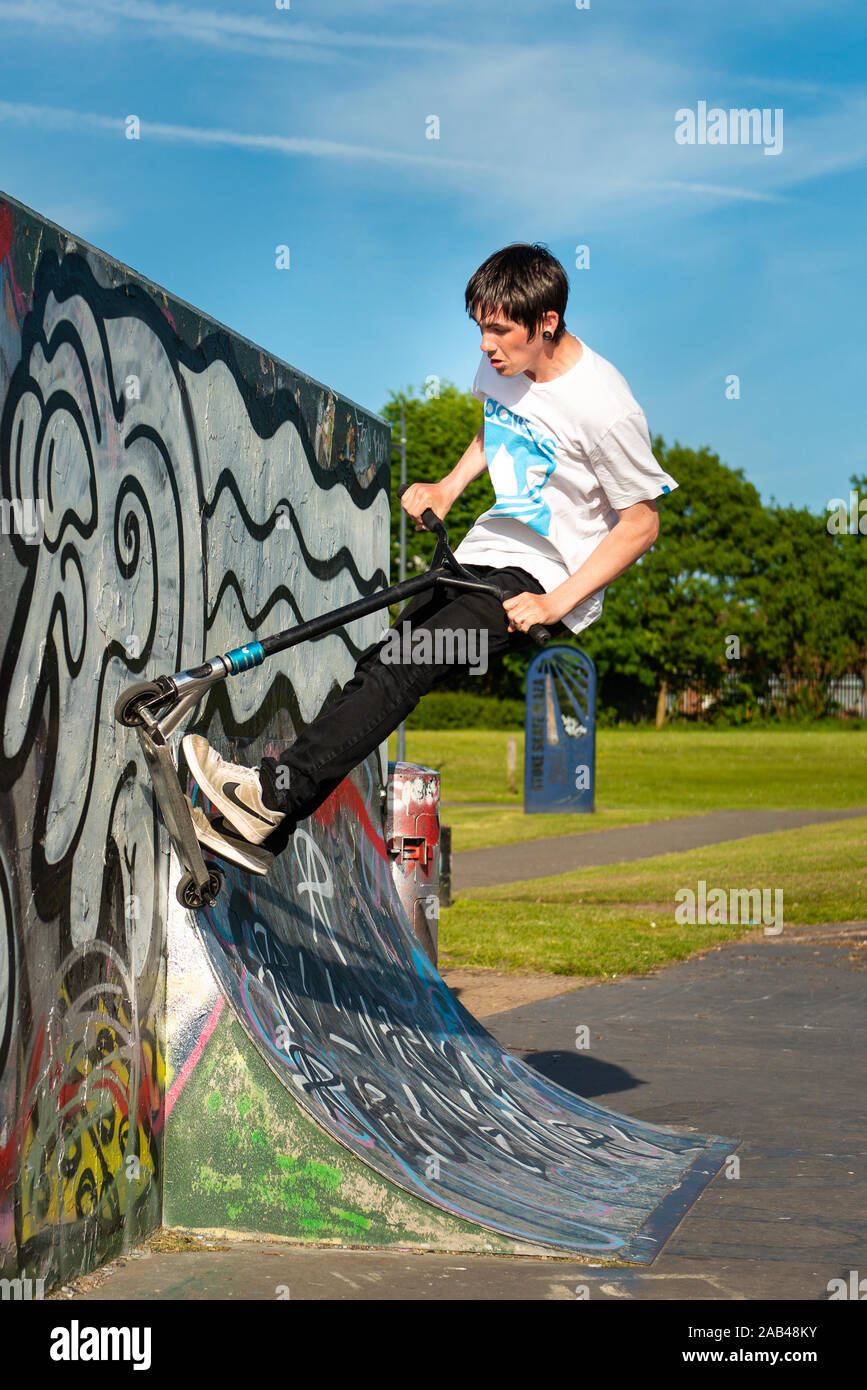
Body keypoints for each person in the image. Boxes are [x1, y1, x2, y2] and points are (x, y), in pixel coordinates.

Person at [183, 242, 678, 872]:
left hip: (539, 583)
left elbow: (641, 523)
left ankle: (271, 797)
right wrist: (449, 486)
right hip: (482, 555)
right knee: (383, 663)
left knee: (407, 665)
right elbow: (496, 425)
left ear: (546, 322)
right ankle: (264, 828)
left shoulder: (605, 407)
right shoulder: (503, 368)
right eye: (479, 328)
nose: (486, 346)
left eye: (499, 330)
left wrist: (556, 602)